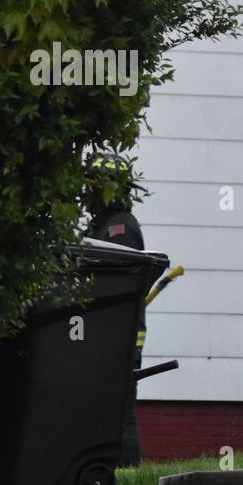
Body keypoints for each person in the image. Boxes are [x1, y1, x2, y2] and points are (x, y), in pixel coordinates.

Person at [84, 151, 147, 466]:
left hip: (119, 333)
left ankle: (126, 472)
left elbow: (117, 277)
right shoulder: (108, 224)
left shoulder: (120, 226)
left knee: (120, 413)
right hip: (111, 329)